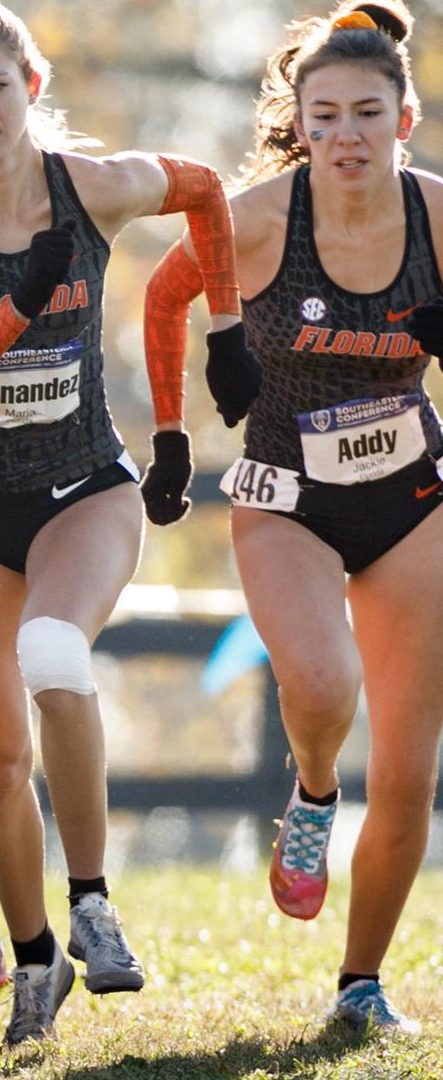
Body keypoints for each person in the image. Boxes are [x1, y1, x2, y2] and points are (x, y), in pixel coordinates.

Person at [0, 0, 239, 1044]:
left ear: (31, 86)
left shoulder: (92, 185)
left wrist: (222, 335)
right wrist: (17, 305)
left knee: (54, 652)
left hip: (84, 485)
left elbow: (209, 193)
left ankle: (94, 902)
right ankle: (35, 960)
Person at [146, 0, 440, 1034]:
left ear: (404, 118)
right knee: (324, 682)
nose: (347, 134)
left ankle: (360, 985)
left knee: (409, 767)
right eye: (326, 115)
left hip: (411, 498)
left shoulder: (439, 217)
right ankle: (312, 792)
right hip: (286, 500)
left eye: (368, 112)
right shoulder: (257, 216)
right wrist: (176, 438)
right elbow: (161, 297)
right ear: (301, 120)